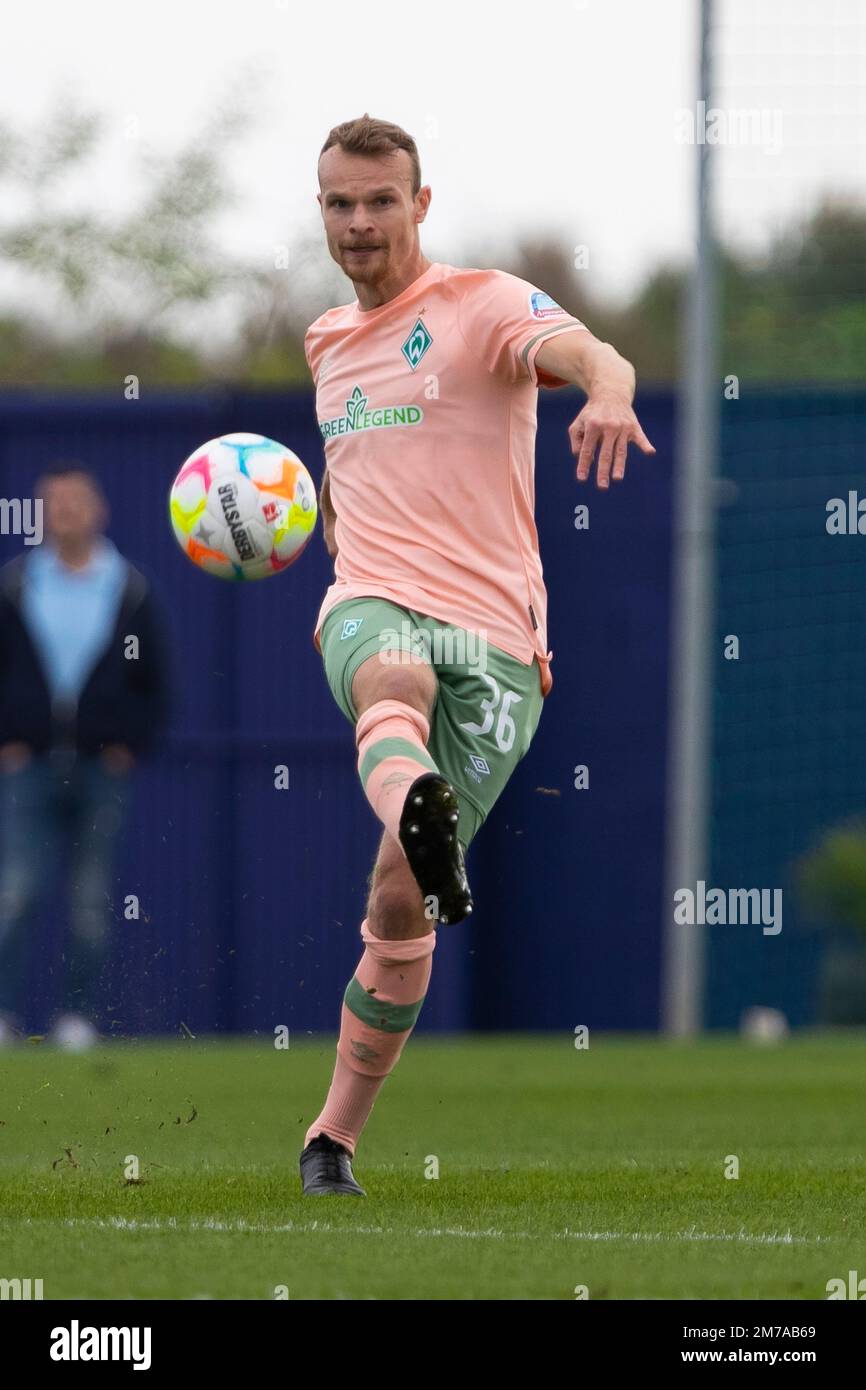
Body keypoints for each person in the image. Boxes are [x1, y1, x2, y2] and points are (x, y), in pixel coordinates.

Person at [299, 115, 655, 1195]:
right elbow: (364, 485)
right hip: (371, 602)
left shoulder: (481, 304)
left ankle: (331, 1140)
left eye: (379, 200)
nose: (360, 222)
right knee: (388, 672)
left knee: (399, 898)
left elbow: (584, 349)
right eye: (338, 203)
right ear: (321, 211)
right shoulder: (324, 342)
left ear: (420, 204)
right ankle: (417, 800)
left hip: (497, 643)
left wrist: (606, 386)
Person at [0, 466, 171, 1049]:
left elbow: (157, 682)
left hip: (101, 768)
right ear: (43, 514)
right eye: (55, 502)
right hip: (30, 766)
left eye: (77, 501)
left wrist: (129, 745)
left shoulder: (130, 588)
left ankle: (76, 1019)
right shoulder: (17, 584)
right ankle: (4, 1017)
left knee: (91, 900)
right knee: (16, 893)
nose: (67, 511)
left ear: (98, 509)